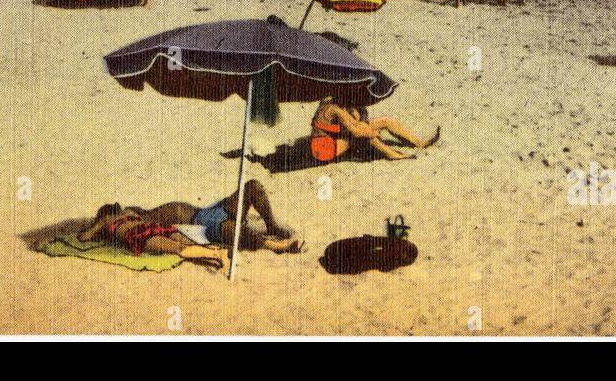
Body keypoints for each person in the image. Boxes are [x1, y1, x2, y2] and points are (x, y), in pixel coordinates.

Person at [76, 180, 303, 268]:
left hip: (209, 212)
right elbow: (88, 236)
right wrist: (102, 223)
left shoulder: (135, 213)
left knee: (253, 186)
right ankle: (275, 246)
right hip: (205, 227)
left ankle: (271, 226)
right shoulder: (139, 223)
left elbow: (134, 214)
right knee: (231, 230)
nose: (124, 211)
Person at [308, 97, 438, 162]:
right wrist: (372, 132)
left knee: (386, 120)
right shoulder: (333, 108)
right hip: (323, 149)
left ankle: (419, 143)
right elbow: (356, 132)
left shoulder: (338, 104)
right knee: (365, 132)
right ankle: (392, 155)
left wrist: (355, 111)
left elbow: (357, 120)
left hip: (331, 142)